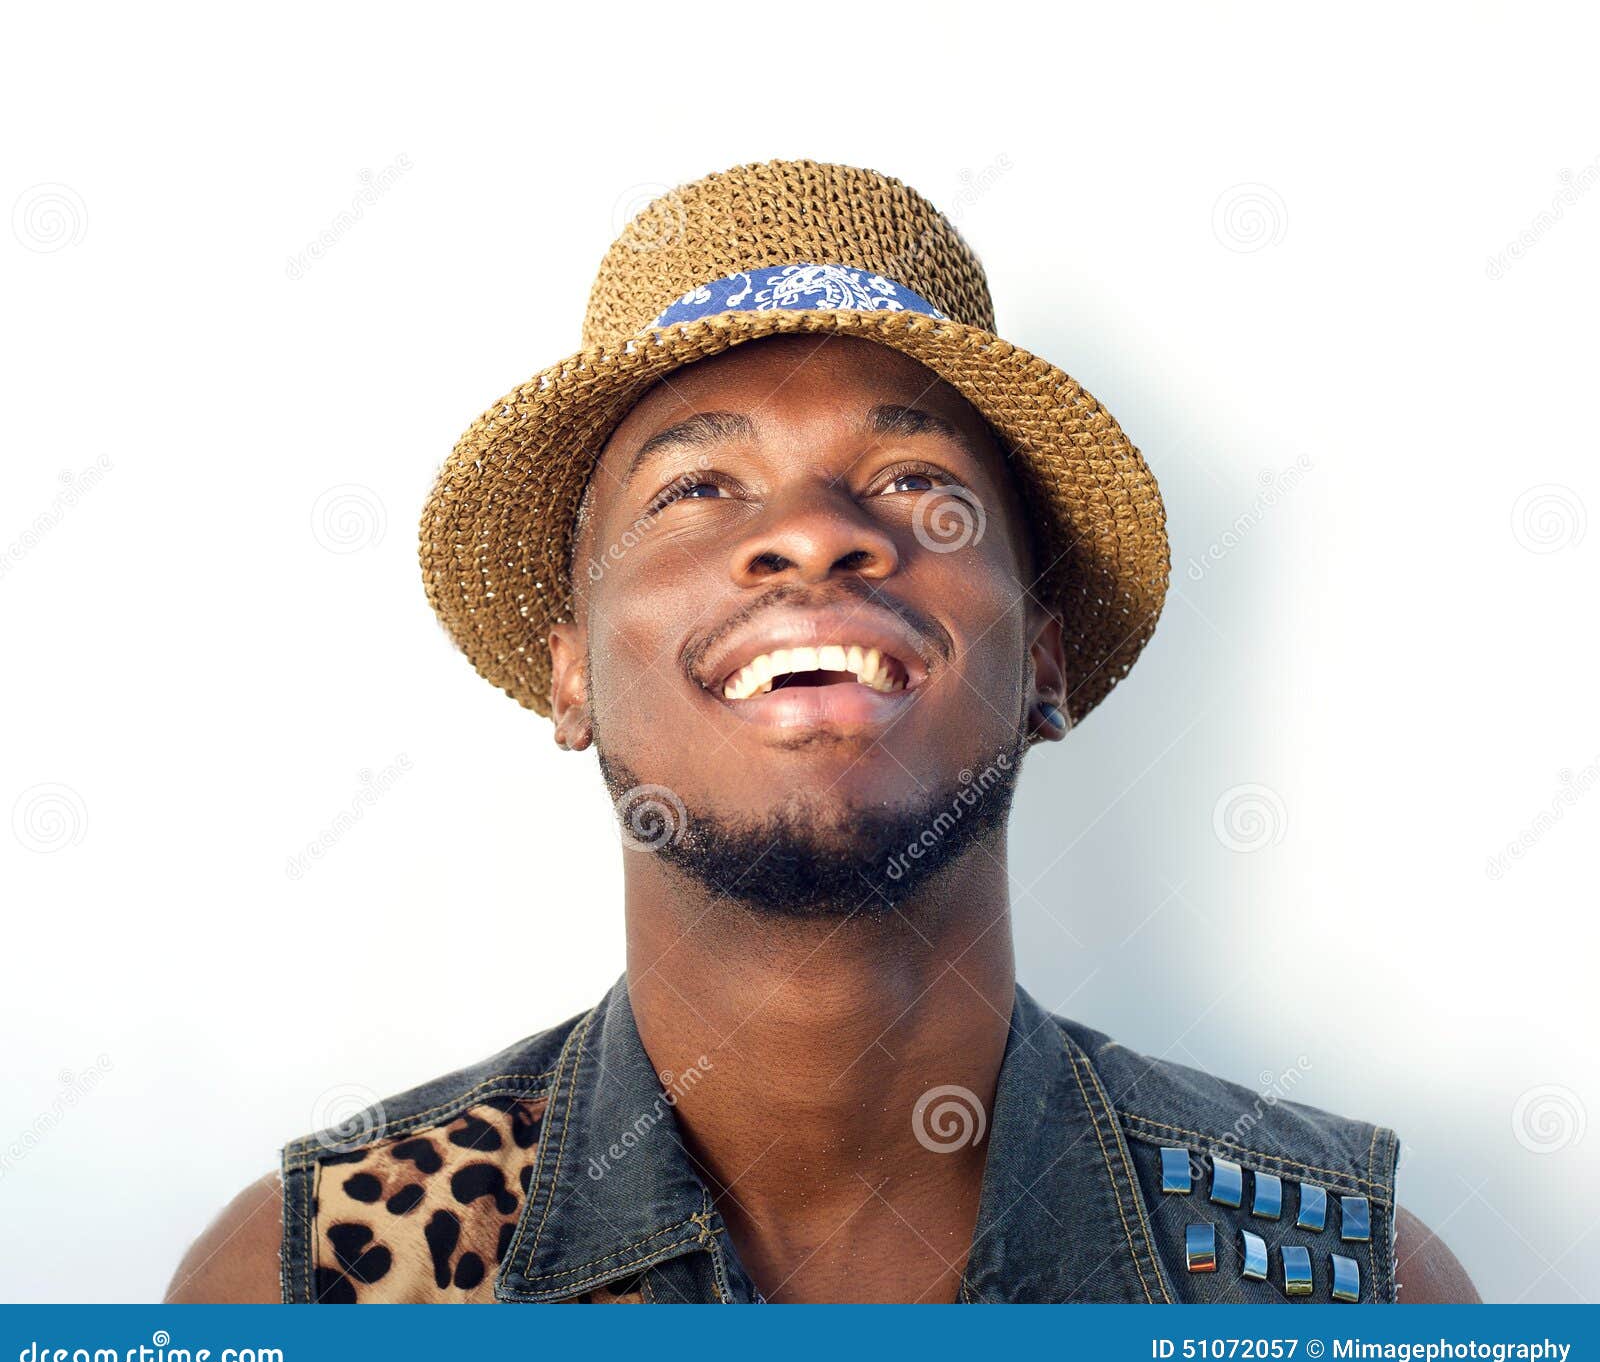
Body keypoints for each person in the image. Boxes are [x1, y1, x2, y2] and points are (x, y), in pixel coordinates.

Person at [169, 160, 1476, 1304]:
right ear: (570, 673)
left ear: (1047, 658)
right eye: (696, 486)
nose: (812, 531)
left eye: (916, 481)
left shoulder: (1355, 1289)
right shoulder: (310, 1288)